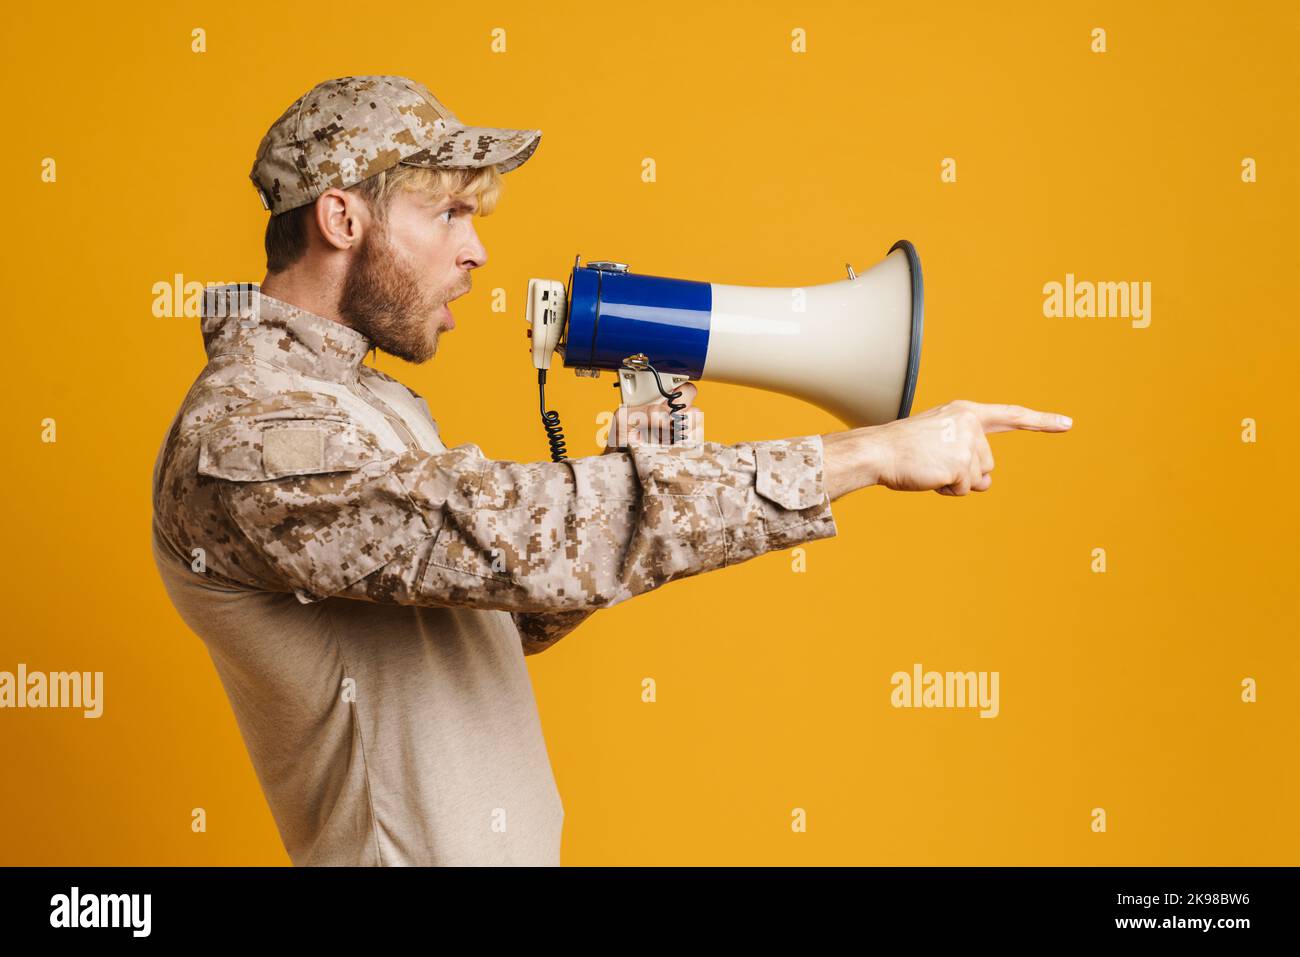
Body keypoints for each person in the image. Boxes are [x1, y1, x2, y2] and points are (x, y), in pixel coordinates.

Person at [150, 75, 1071, 867]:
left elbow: (503, 612)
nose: (476, 251)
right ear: (341, 216)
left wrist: (643, 464)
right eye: (448, 212)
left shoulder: (370, 403)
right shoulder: (248, 431)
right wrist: (867, 452)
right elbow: (513, 538)